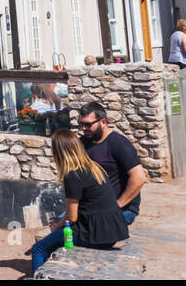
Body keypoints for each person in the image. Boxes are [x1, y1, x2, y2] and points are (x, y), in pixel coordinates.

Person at [30, 129, 130, 273]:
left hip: (94, 234)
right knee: (55, 241)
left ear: (59, 152)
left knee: (39, 248)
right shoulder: (95, 167)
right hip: (112, 230)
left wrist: (56, 226)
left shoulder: (73, 175)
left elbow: (72, 217)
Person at [78, 101, 145, 226]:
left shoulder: (119, 144)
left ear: (103, 122)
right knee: (59, 224)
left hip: (122, 210)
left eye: (88, 125)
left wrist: (117, 205)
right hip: (93, 207)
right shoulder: (83, 142)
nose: (83, 129)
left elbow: (139, 178)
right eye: (81, 124)